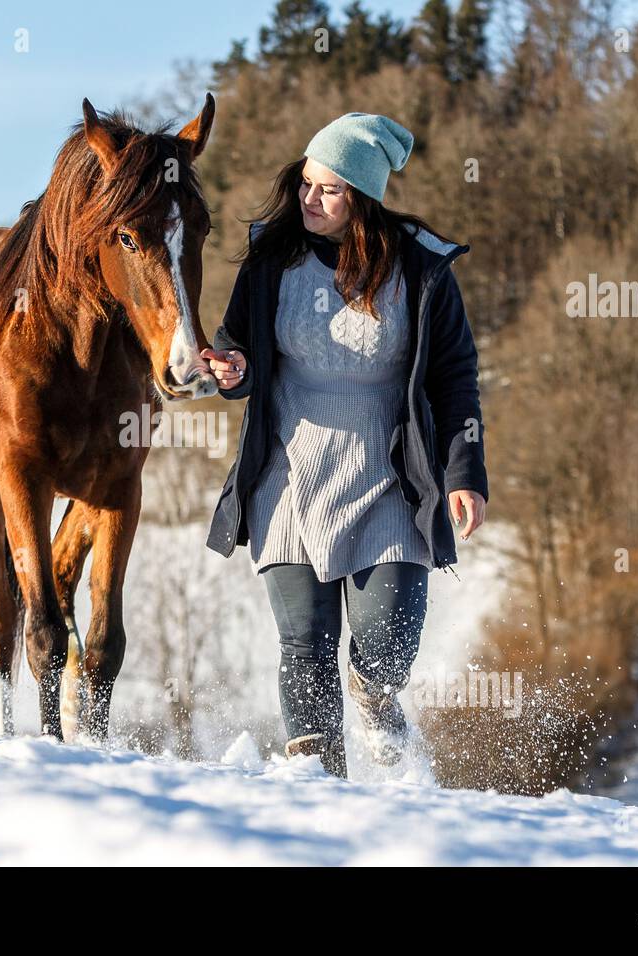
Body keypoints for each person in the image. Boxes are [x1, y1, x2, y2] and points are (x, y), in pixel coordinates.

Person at [201, 112, 489, 778]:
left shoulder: (420, 270)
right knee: (304, 644)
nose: (309, 199)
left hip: (389, 478)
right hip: (286, 475)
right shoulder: (272, 261)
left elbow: (455, 378)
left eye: (328, 189)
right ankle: (317, 787)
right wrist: (231, 367)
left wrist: (464, 474)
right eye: (305, 183)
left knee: (387, 643)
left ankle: (375, 691)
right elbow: (235, 347)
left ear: (362, 194)